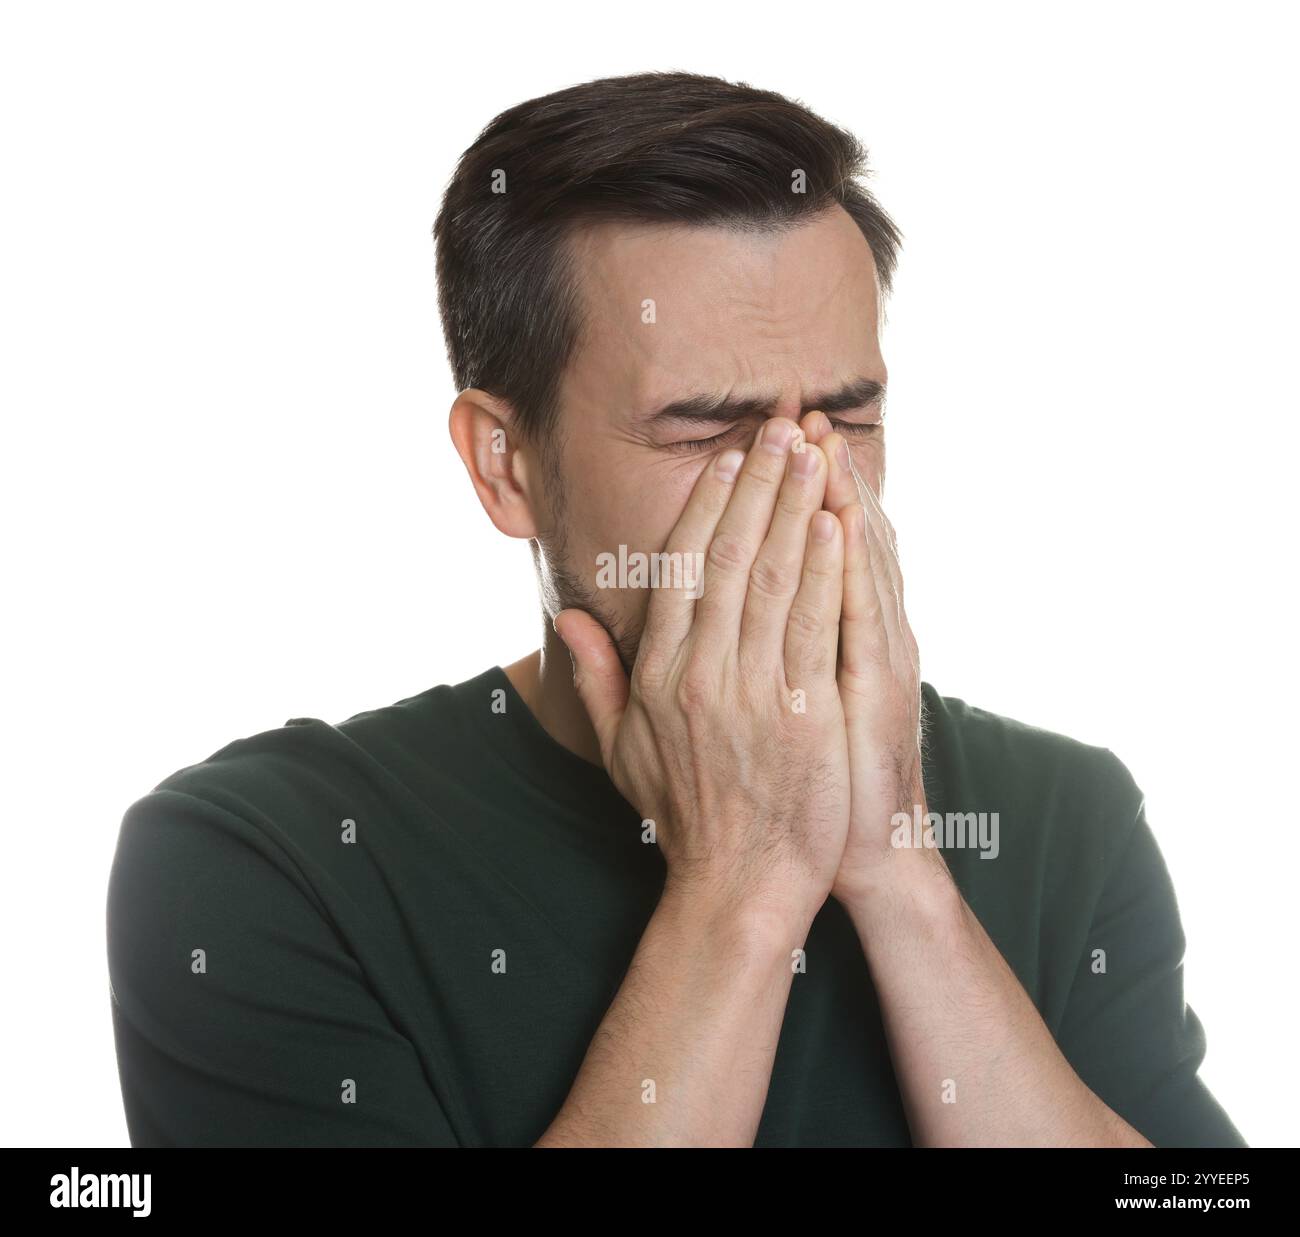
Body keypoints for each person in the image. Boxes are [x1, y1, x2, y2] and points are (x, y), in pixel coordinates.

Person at [106, 70, 1245, 1148]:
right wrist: (742, 885)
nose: (800, 486)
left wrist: (899, 874)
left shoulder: (1069, 816)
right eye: (705, 432)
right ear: (504, 465)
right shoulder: (264, 861)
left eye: (844, 420)